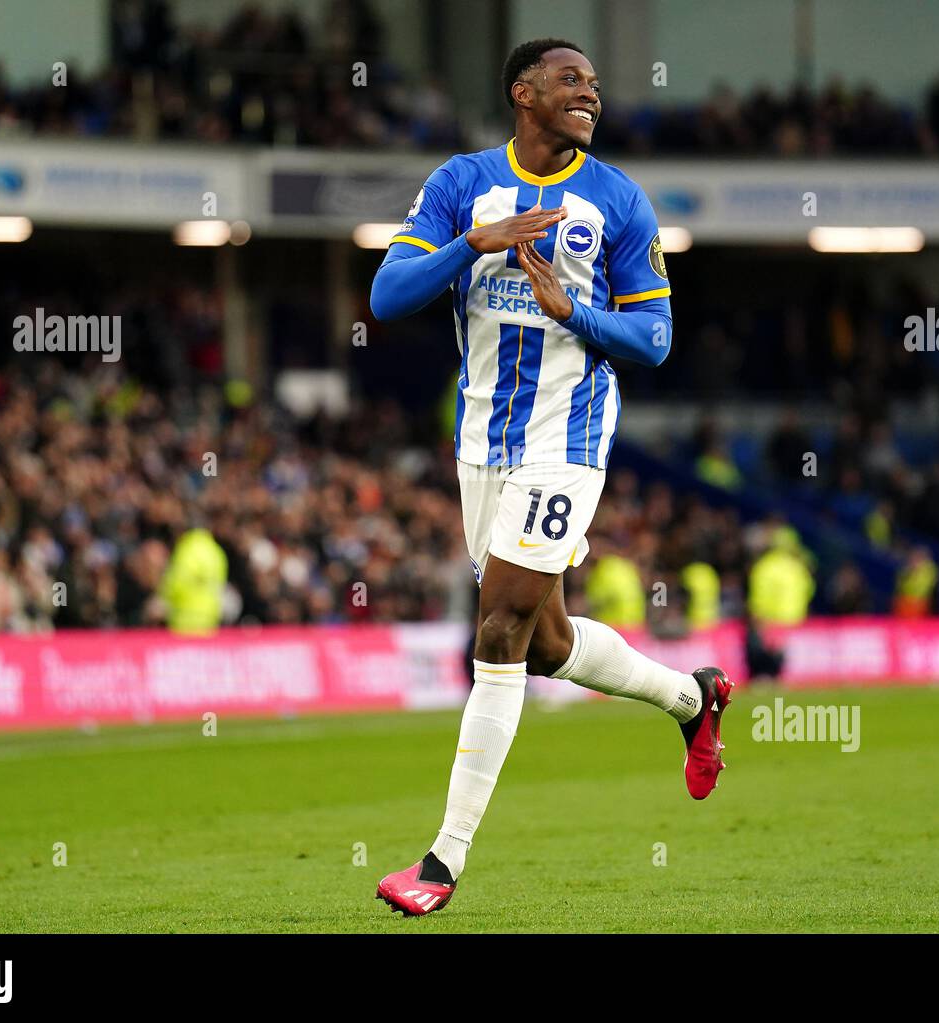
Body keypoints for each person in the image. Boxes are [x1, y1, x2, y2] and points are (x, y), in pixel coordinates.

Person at [368, 38, 733, 917]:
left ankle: (440, 862)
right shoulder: (461, 184)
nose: (591, 95)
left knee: (497, 630)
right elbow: (386, 297)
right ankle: (694, 697)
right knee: (546, 644)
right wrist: (471, 246)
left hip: (566, 439)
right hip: (480, 441)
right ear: (522, 92)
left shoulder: (618, 202)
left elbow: (653, 339)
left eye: (596, 86)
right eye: (573, 81)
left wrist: (578, 311)